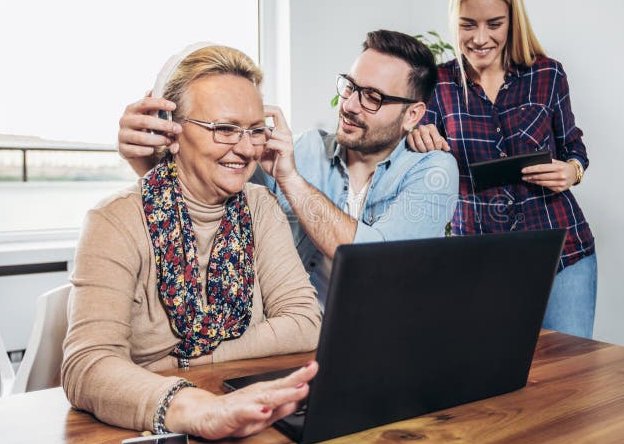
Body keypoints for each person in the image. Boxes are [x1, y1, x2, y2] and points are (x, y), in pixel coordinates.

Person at [62, 44, 322, 439]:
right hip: (149, 428)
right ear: (172, 133)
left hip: (245, 409)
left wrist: (179, 362)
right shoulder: (114, 220)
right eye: (224, 129)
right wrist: (195, 407)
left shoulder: (261, 207)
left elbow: (305, 324)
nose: (247, 147)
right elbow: (88, 364)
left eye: (254, 129)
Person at [119, 30, 459, 306]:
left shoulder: (433, 170)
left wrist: (291, 179)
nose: (350, 105)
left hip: (385, 337)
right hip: (296, 336)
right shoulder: (308, 147)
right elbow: (206, 199)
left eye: (373, 98)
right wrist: (145, 156)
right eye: (351, 86)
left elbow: (379, 263)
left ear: (412, 115)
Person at [407, 0, 597, 339]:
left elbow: (574, 147)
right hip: (479, 260)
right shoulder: (438, 84)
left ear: (513, 20)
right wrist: (414, 136)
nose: (480, 38)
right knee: (492, 383)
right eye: (467, 24)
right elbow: (414, 159)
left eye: (494, 24)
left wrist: (571, 170)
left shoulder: (548, 74)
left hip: (561, 251)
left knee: (569, 381)